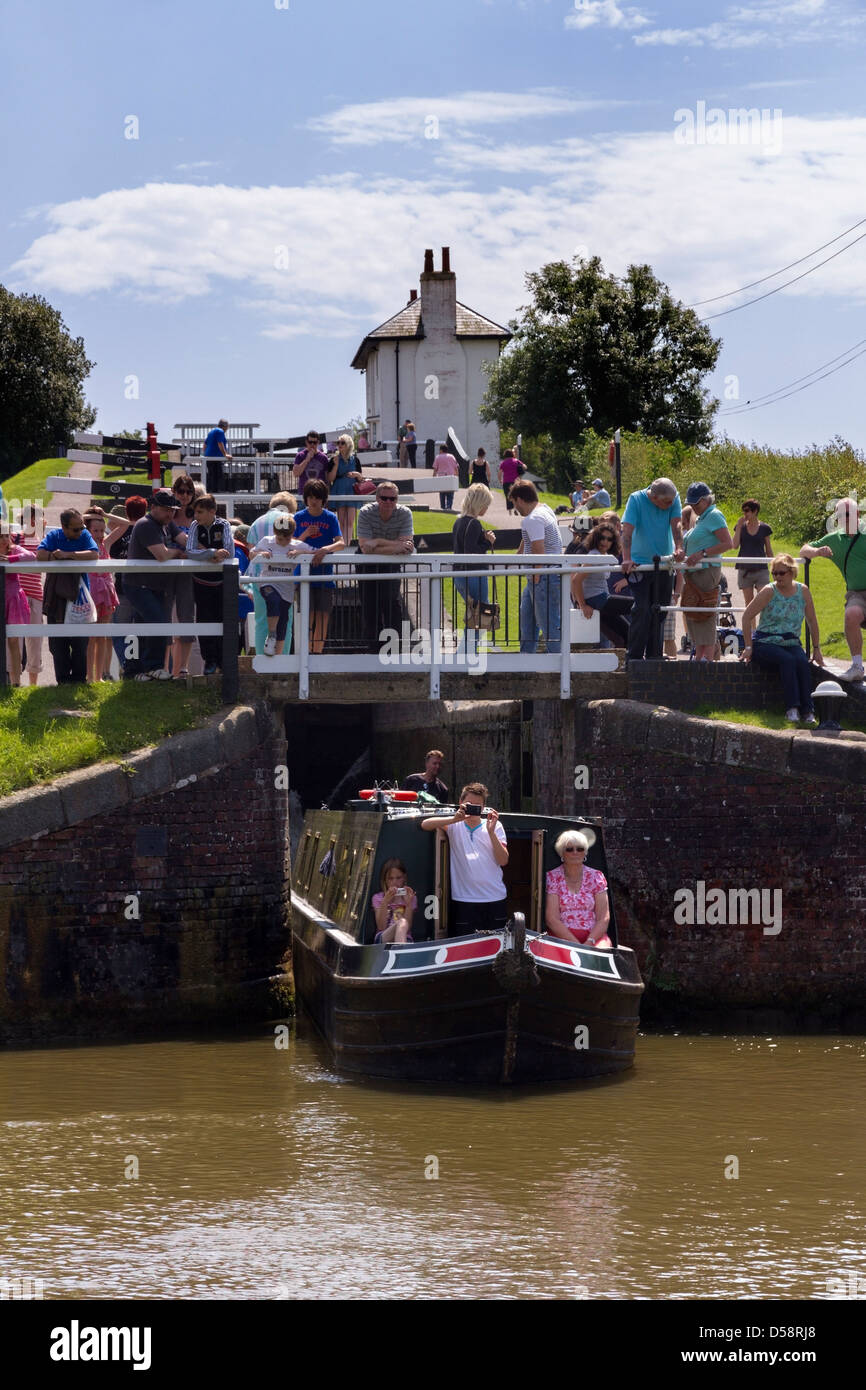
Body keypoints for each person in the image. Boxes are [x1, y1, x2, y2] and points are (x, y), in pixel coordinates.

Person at [740, 553, 823, 723]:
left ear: (792, 572)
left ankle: (808, 711)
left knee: (802, 662)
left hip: (791, 642)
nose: (777, 577)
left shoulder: (803, 591)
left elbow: (812, 620)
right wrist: (748, 647)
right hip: (766, 642)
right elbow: (746, 616)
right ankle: (792, 709)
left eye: (781, 573)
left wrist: (816, 649)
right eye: (774, 573)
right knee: (787, 660)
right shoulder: (769, 591)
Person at [420, 782, 509, 937]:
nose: (473, 809)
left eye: (478, 806)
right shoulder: (454, 825)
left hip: (495, 898)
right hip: (464, 900)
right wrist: (454, 819)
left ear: (483, 808)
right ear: (461, 803)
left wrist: (491, 833)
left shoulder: (495, 827)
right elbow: (425, 824)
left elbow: (503, 861)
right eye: (469, 804)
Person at [118, 490, 186, 680]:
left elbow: (185, 541)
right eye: (166, 510)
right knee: (158, 622)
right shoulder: (146, 525)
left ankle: (134, 671)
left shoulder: (166, 523)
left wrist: (205, 551)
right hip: (138, 585)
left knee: (142, 626)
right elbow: (162, 555)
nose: (170, 514)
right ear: (153, 507)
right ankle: (153, 667)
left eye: (172, 510)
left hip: (153, 585)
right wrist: (177, 552)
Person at [800, 497, 866, 681]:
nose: (843, 519)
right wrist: (817, 552)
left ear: (858, 514)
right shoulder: (835, 539)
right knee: (851, 613)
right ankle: (856, 666)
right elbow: (803, 550)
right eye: (839, 516)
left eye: (847, 515)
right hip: (856, 593)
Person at [620, 477, 684, 662]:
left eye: (672, 501)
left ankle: (654, 655)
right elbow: (627, 530)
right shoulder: (636, 499)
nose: (670, 504)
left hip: (664, 564)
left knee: (660, 610)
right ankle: (634, 656)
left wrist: (678, 547)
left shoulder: (673, 497)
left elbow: (676, 525)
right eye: (666, 502)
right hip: (641, 564)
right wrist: (626, 559)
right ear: (654, 497)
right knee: (642, 609)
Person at [37, 508, 100, 685]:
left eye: (81, 528)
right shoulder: (54, 536)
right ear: (64, 527)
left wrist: (68, 555)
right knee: (57, 644)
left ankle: (79, 680)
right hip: (57, 596)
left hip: (79, 597)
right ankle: (63, 681)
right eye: (75, 529)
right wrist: (54, 556)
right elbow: (40, 554)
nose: (80, 532)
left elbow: (94, 553)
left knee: (80, 644)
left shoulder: (84, 535)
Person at [356, 481, 415, 652]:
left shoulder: (404, 513)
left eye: (393, 499)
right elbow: (365, 548)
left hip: (390, 564)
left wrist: (378, 542)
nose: (389, 502)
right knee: (369, 605)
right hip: (367, 564)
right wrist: (396, 547)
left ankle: (394, 647)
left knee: (391, 603)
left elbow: (407, 546)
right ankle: (373, 649)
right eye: (384, 498)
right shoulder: (366, 512)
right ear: (377, 498)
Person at [681, 483, 732, 662]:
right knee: (695, 611)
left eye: (696, 503)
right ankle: (700, 657)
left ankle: (706, 660)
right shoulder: (703, 517)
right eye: (692, 503)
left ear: (706, 500)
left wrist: (702, 554)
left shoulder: (714, 515)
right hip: (695, 572)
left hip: (706, 571)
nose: (693, 507)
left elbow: (728, 543)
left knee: (704, 611)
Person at [292, 479, 345, 654]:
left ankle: (317, 652)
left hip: (324, 576)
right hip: (303, 576)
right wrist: (306, 534)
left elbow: (340, 543)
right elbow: (291, 546)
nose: (314, 501)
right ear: (306, 498)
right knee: (307, 615)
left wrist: (324, 550)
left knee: (323, 615)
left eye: (318, 497)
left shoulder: (330, 517)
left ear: (324, 499)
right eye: (311, 497)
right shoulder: (298, 518)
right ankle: (306, 652)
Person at [184, 494, 235, 675]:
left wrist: (214, 554)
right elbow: (190, 551)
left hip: (221, 581)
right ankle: (210, 660)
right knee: (204, 619)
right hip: (201, 581)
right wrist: (212, 553)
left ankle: (223, 660)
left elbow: (229, 550)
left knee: (223, 619)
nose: (196, 515)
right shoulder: (195, 526)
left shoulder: (224, 525)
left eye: (200, 511)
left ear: (212, 511)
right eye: (195, 511)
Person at [249, 512, 313, 656]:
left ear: (292, 535)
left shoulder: (297, 545)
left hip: (286, 587)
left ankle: (278, 658)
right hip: (268, 582)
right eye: (279, 538)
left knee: (283, 620)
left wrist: (301, 552)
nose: (283, 542)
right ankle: (271, 635)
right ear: (274, 533)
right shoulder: (267, 541)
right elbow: (251, 554)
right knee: (273, 601)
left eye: (287, 538)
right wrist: (261, 554)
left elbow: (316, 553)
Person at [510, 480, 563, 654]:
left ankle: (559, 664)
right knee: (528, 618)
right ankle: (526, 660)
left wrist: (535, 574)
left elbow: (539, 548)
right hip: (546, 574)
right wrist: (519, 555)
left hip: (542, 576)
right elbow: (530, 539)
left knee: (548, 622)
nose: (515, 508)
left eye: (514, 503)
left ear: (519, 499)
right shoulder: (544, 510)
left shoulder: (531, 519)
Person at [245, 492, 297, 653]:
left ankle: (263, 664)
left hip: (261, 580)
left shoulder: (256, 523)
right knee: (285, 623)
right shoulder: (291, 521)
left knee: (262, 622)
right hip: (284, 579)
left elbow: (251, 551)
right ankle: (283, 664)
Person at [544, 829, 612, 949]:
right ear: (562, 853)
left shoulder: (596, 876)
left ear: (585, 852)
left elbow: (603, 918)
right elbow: (552, 918)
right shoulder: (553, 877)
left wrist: (589, 942)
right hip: (562, 937)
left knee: (601, 953)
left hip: (593, 937)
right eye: (569, 849)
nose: (575, 852)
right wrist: (575, 944)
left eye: (580, 849)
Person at [571, 521, 632, 647]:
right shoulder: (594, 555)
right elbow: (575, 581)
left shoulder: (603, 555)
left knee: (624, 636)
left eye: (609, 539)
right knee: (639, 605)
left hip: (601, 601)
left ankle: (626, 663)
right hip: (598, 599)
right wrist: (582, 605)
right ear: (596, 538)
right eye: (602, 538)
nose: (605, 542)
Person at [82, 511, 119, 682]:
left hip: (106, 592)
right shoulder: (84, 546)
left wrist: (104, 513)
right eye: (95, 531)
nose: (98, 534)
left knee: (103, 635)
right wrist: (88, 517)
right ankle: (90, 675)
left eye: (101, 530)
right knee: (91, 636)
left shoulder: (106, 543)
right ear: (87, 530)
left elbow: (126, 524)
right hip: (92, 592)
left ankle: (99, 676)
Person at [452, 483, 495, 621]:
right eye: (486, 504)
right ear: (480, 504)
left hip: (459, 574)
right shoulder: (474, 523)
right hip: (474, 574)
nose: (486, 508)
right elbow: (472, 552)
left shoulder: (458, 522)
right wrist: (488, 542)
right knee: (480, 618)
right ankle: (468, 643)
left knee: (473, 616)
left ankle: (468, 643)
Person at [13, 506, 45, 686]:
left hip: (36, 594)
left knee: (35, 641)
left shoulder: (44, 540)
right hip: (18, 595)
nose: (33, 523)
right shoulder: (15, 538)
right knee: (15, 639)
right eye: (31, 519)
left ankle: (33, 684)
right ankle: (15, 681)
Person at [0, 532, 32, 686]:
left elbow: (31, 556)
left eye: (6, 536)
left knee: (13, 641)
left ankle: (16, 682)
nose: (5, 539)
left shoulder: (14, 549)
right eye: (1, 536)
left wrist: (10, 559)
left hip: (13, 600)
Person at [733, 500, 774, 608]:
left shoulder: (765, 528)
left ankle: (763, 625)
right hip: (745, 569)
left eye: (747, 511)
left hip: (761, 569)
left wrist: (775, 566)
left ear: (755, 511)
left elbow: (768, 550)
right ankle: (751, 626)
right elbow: (735, 545)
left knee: (764, 601)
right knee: (749, 604)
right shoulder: (740, 527)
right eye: (743, 511)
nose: (745, 514)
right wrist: (738, 527)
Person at [328, 433, 364, 544]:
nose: (340, 445)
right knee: (341, 521)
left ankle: (347, 544)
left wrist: (357, 474)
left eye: (342, 442)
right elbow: (330, 478)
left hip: (352, 490)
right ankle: (342, 544)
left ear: (348, 444)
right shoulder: (334, 459)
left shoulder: (355, 460)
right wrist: (335, 465)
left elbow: (361, 478)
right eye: (338, 442)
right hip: (339, 489)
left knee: (350, 521)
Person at [372, 859, 417, 944]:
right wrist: (385, 902)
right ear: (385, 880)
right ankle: (402, 954)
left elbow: (408, 926)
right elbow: (381, 926)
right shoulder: (378, 898)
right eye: (390, 879)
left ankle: (401, 950)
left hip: (405, 938)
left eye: (398, 878)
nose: (394, 882)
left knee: (403, 923)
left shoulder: (411, 897)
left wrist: (408, 904)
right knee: (402, 922)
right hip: (383, 938)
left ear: (404, 878)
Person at [203, 418, 231, 493]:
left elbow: (205, 444)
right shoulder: (220, 431)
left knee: (212, 474)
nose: (227, 429)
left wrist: (203, 454)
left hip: (208, 457)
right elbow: (220, 443)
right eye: (227, 427)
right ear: (224, 426)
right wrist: (225, 454)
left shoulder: (211, 432)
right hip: (215, 457)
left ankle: (210, 490)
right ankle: (215, 491)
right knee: (218, 475)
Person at [432, 444, 458, 510]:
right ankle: (449, 507)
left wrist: (433, 478)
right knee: (450, 494)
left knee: (442, 494)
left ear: (441, 450)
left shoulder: (438, 457)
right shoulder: (452, 457)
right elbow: (456, 468)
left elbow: (435, 469)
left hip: (441, 477)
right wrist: (456, 476)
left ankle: (443, 508)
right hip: (450, 477)